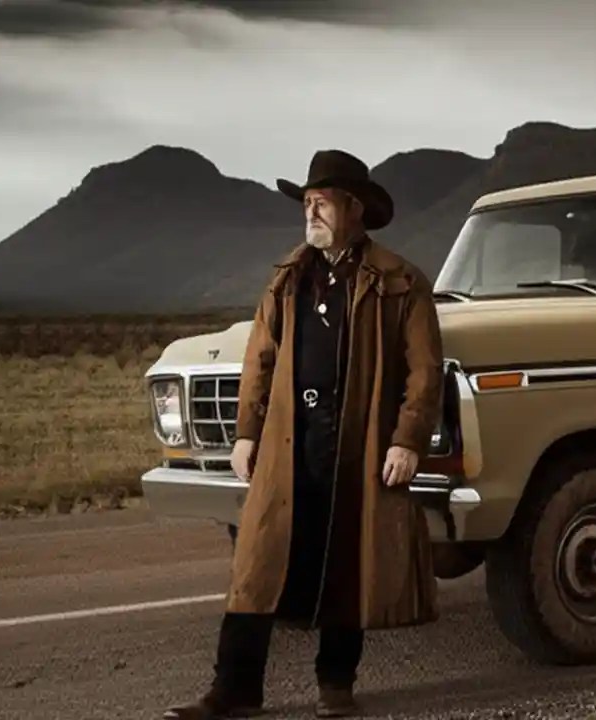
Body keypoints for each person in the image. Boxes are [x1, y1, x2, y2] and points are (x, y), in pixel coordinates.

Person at [166, 149, 445, 719]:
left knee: (345, 558)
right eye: (307, 203)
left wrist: (407, 438)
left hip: (357, 442)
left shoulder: (399, 281)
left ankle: (335, 686)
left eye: (321, 202)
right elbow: (259, 358)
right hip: (289, 443)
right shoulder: (289, 277)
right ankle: (235, 690)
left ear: (355, 208)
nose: (310, 212)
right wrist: (247, 432)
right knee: (258, 563)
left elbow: (425, 369)